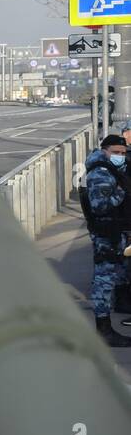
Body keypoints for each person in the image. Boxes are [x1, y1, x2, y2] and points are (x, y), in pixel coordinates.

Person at [82, 134, 131, 346]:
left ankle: (106, 326)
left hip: (112, 232)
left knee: (111, 276)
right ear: (105, 151)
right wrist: (121, 192)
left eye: (123, 152)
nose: (120, 156)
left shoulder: (110, 169)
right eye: (116, 152)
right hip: (105, 234)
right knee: (103, 281)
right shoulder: (100, 173)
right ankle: (103, 330)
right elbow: (100, 206)